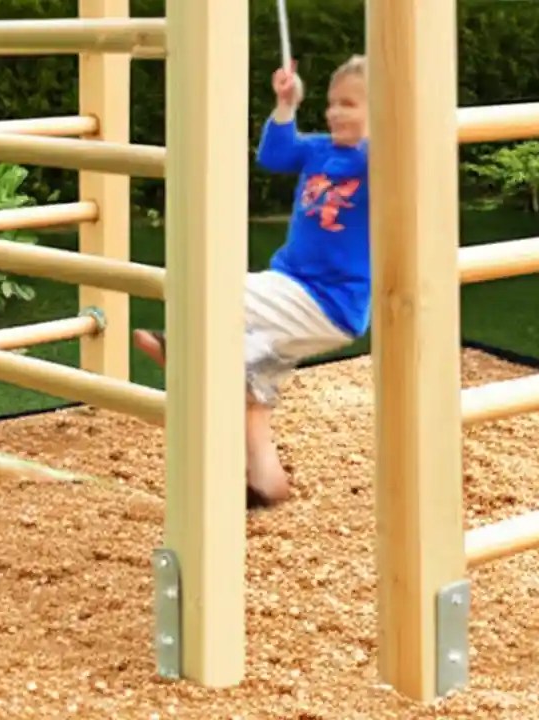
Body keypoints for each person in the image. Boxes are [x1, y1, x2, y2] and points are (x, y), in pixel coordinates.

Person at [133, 54, 370, 509]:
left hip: (327, 300)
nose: (336, 112)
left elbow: (399, 148)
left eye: (351, 104)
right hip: (294, 293)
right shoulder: (319, 149)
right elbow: (274, 154)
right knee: (253, 401)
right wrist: (286, 105)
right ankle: (267, 484)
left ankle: (187, 351)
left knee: (216, 287)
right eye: (331, 103)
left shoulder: (376, 162)